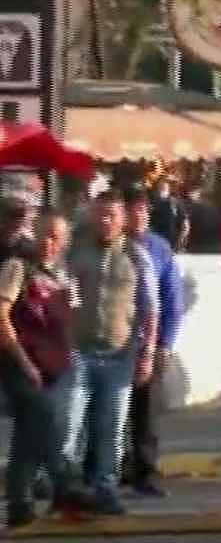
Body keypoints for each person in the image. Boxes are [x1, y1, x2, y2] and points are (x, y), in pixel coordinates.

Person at [58, 192, 157, 517]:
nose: (105, 221)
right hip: (78, 354)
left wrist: (148, 353)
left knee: (111, 429)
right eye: (100, 214)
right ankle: (67, 491)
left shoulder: (137, 255)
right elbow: (65, 295)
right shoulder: (74, 253)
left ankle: (106, 489)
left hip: (119, 355)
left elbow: (150, 307)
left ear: (123, 219)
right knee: (69, 427)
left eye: (112, 215)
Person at [1, 215, 71, 529]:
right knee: (42, 423)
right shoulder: (17, 268)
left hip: (57, 365)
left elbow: (74, 313)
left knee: (32, 434)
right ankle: (68, 484)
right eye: (44, 235)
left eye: (56, 237)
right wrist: (24, 362)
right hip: (23, 363)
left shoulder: (63, 274)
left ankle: (21, 501)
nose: (48, 243)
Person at [123, 188, 185, 498]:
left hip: (148, 340)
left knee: (145, 409)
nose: (139, 217)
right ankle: (114, 466)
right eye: (133, 210)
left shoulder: (158, 248)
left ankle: (144, 468)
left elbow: (172, 297)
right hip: (111, 340)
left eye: (143, 211)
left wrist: (165, 342)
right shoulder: (106, 245)